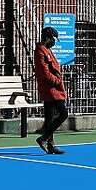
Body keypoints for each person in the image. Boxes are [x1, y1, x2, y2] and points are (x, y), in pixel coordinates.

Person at [34, 26, 68, 155]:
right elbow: (44, 73)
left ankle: (50, 144)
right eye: (53, 39)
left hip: (54, 88)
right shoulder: (40, 51)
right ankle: (43, 138)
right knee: (63, 113)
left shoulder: (47, 50)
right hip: (50, 88)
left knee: (50, 117)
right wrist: (57, 81)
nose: (54, 42)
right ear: (48, 38)